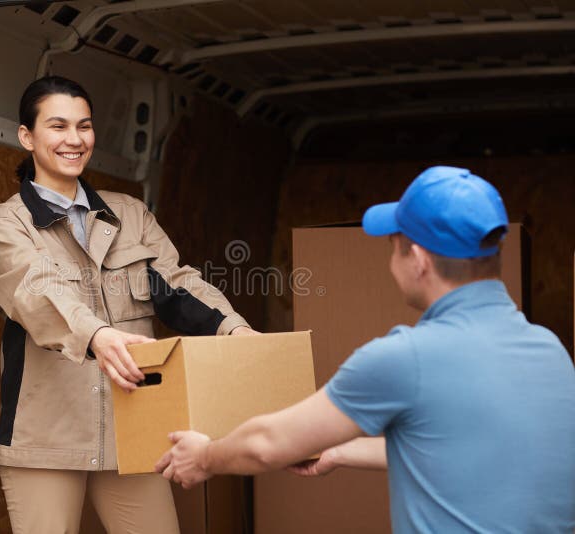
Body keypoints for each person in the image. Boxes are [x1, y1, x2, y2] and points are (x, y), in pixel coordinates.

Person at [155, 166, 575, 533]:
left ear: (419, 259)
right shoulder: (549, 350)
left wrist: (206, 456)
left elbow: (269, 442)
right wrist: (339, 450)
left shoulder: (407, 357)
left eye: (393, 244)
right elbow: (453, 445)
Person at [0, 75, 256, 534]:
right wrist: (99, 336)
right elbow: (38, 290)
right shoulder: (9, 224)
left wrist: (233, 331)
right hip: (47, 436)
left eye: (84, 127)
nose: (74, 139)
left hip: (131, 428)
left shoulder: (129, 214)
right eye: (58, 126)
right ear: (27, 136)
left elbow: (176, 285)